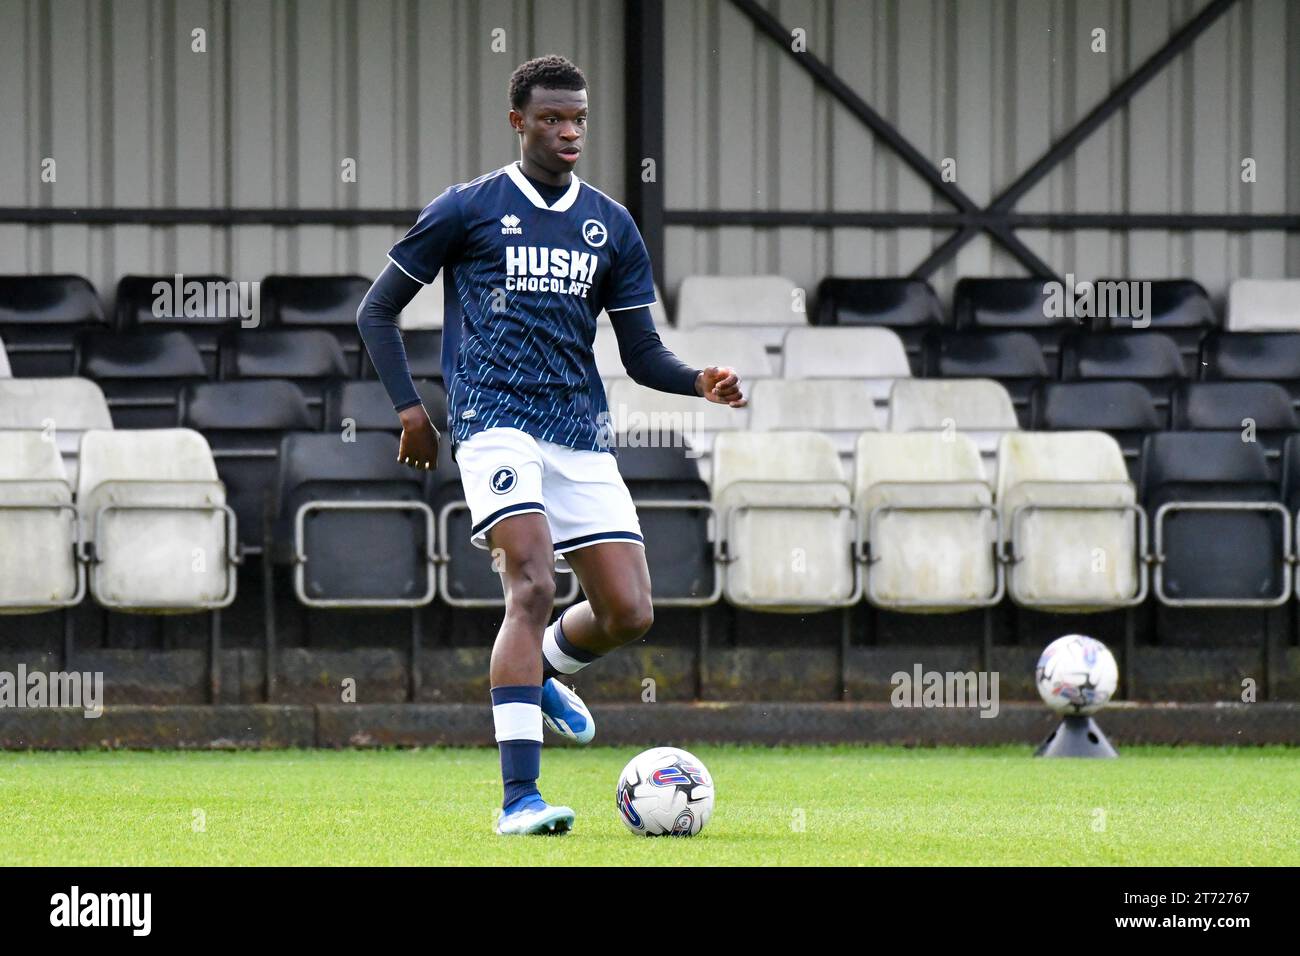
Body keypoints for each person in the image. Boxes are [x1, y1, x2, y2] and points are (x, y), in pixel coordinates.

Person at [356, 54, 745, 835]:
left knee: (630, 612)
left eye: (578, 120)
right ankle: (519, 801)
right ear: (518, 122)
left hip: (578, 432)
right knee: (530, 586)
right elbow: (377, 311)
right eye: (551, 120)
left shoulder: (610, 223)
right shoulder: (467, 208)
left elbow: (640, 354)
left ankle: (547, 675)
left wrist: (697, 379)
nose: (568, 132)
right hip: (495, 423)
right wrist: (410, 412)